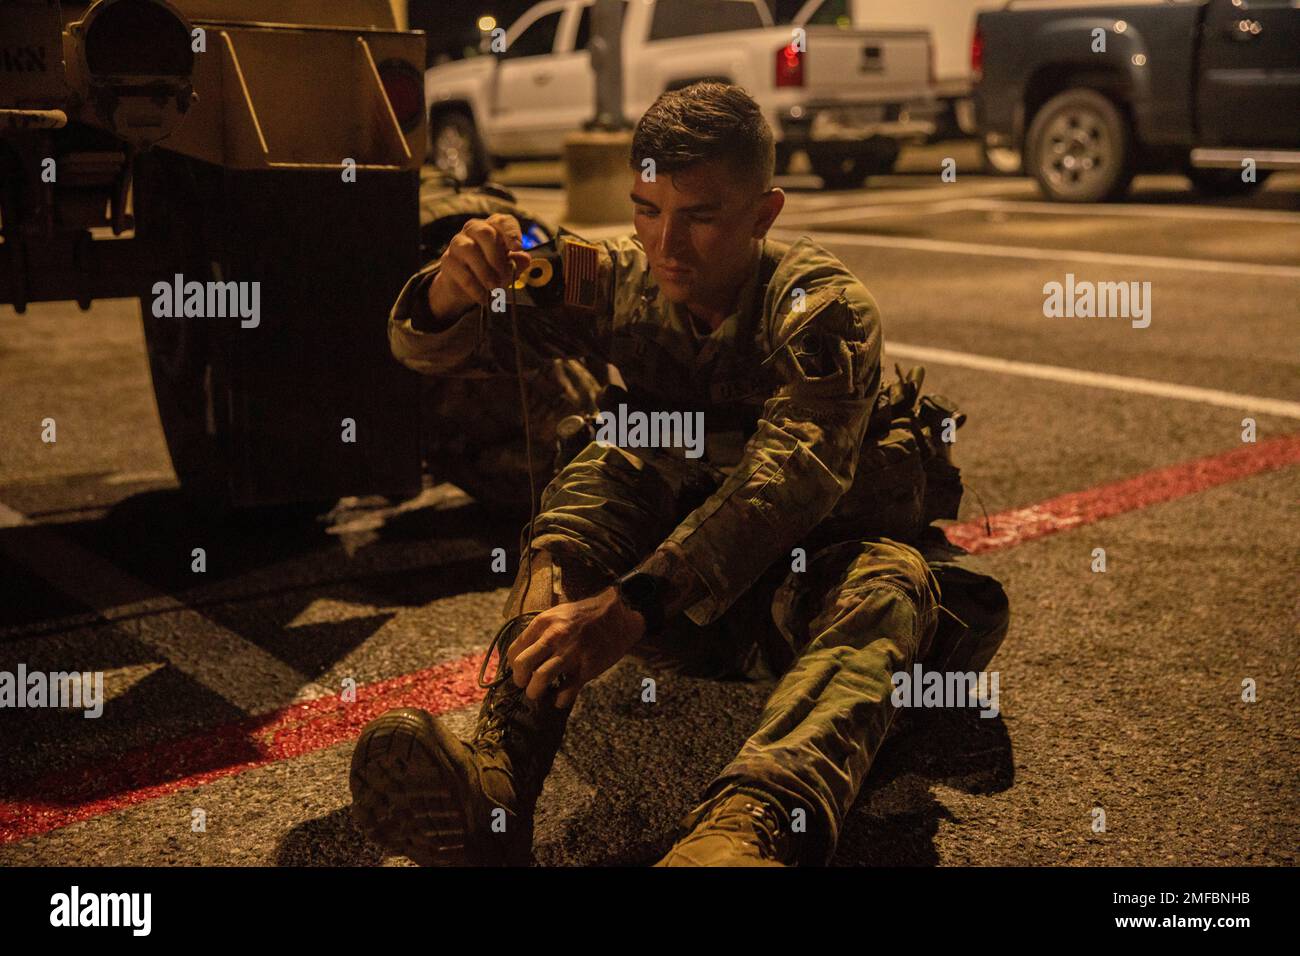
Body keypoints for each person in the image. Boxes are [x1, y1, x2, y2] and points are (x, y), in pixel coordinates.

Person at [349, 82, 1009, 866]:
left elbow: (785, 487)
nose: (667, 246)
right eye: (645, 209)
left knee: (893, 582)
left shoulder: (819, 309)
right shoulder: (621, 279)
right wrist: (447, 291)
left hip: (800, 595)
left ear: (764, 214)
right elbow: (428, 348)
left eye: (699, 216)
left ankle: (748, 829)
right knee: (605, 463)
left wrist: (629, 609)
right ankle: (498, 778)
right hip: (672, 608)